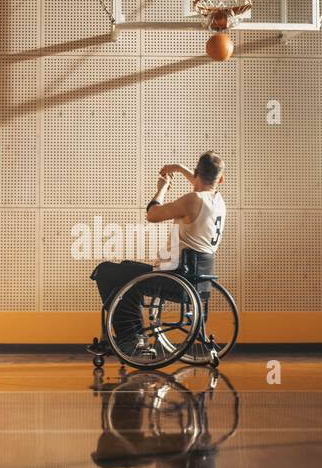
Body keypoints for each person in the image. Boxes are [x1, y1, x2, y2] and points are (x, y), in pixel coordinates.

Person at [91, 151, 227, 356]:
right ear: (221, 179)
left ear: (197, 172)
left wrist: (161, 189)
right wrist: (179, 168)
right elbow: (201, 182)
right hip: (198, 281)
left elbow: (152, 214)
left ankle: (131, 340)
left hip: (174, 280)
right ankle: (133, 338)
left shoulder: (193, 199)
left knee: (106, 272)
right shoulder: (218, 202)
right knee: (127, 268)